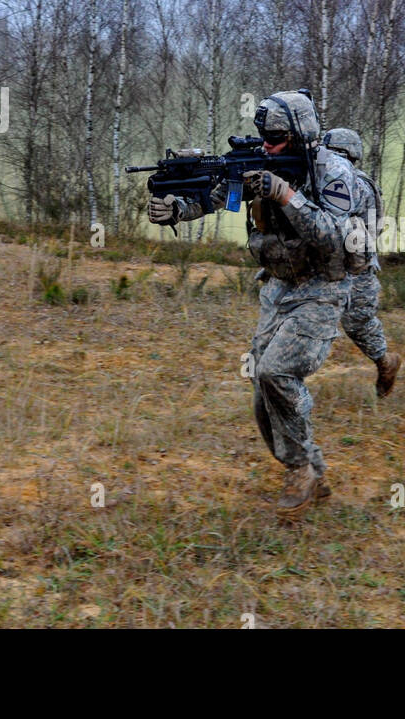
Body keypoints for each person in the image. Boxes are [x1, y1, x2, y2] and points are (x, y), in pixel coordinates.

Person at [147, 90, 365, 519]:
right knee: (261, 391)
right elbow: (215, 195)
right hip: (278, 288)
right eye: (264, 137)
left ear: (302, 135)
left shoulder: (335, 173)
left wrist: (285, 194)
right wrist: (177, 208)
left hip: (322, 288)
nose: (267, 146)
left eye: (277, 139)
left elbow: (334, 236)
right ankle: (311, 468)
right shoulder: (262, 160)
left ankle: (301, 468)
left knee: (276, 371)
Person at [322, 127, 401, 397]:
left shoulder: (358, 184)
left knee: (358, 322)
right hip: (328, 267)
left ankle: (385, 362)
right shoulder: (324, 179)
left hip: (358, 269)